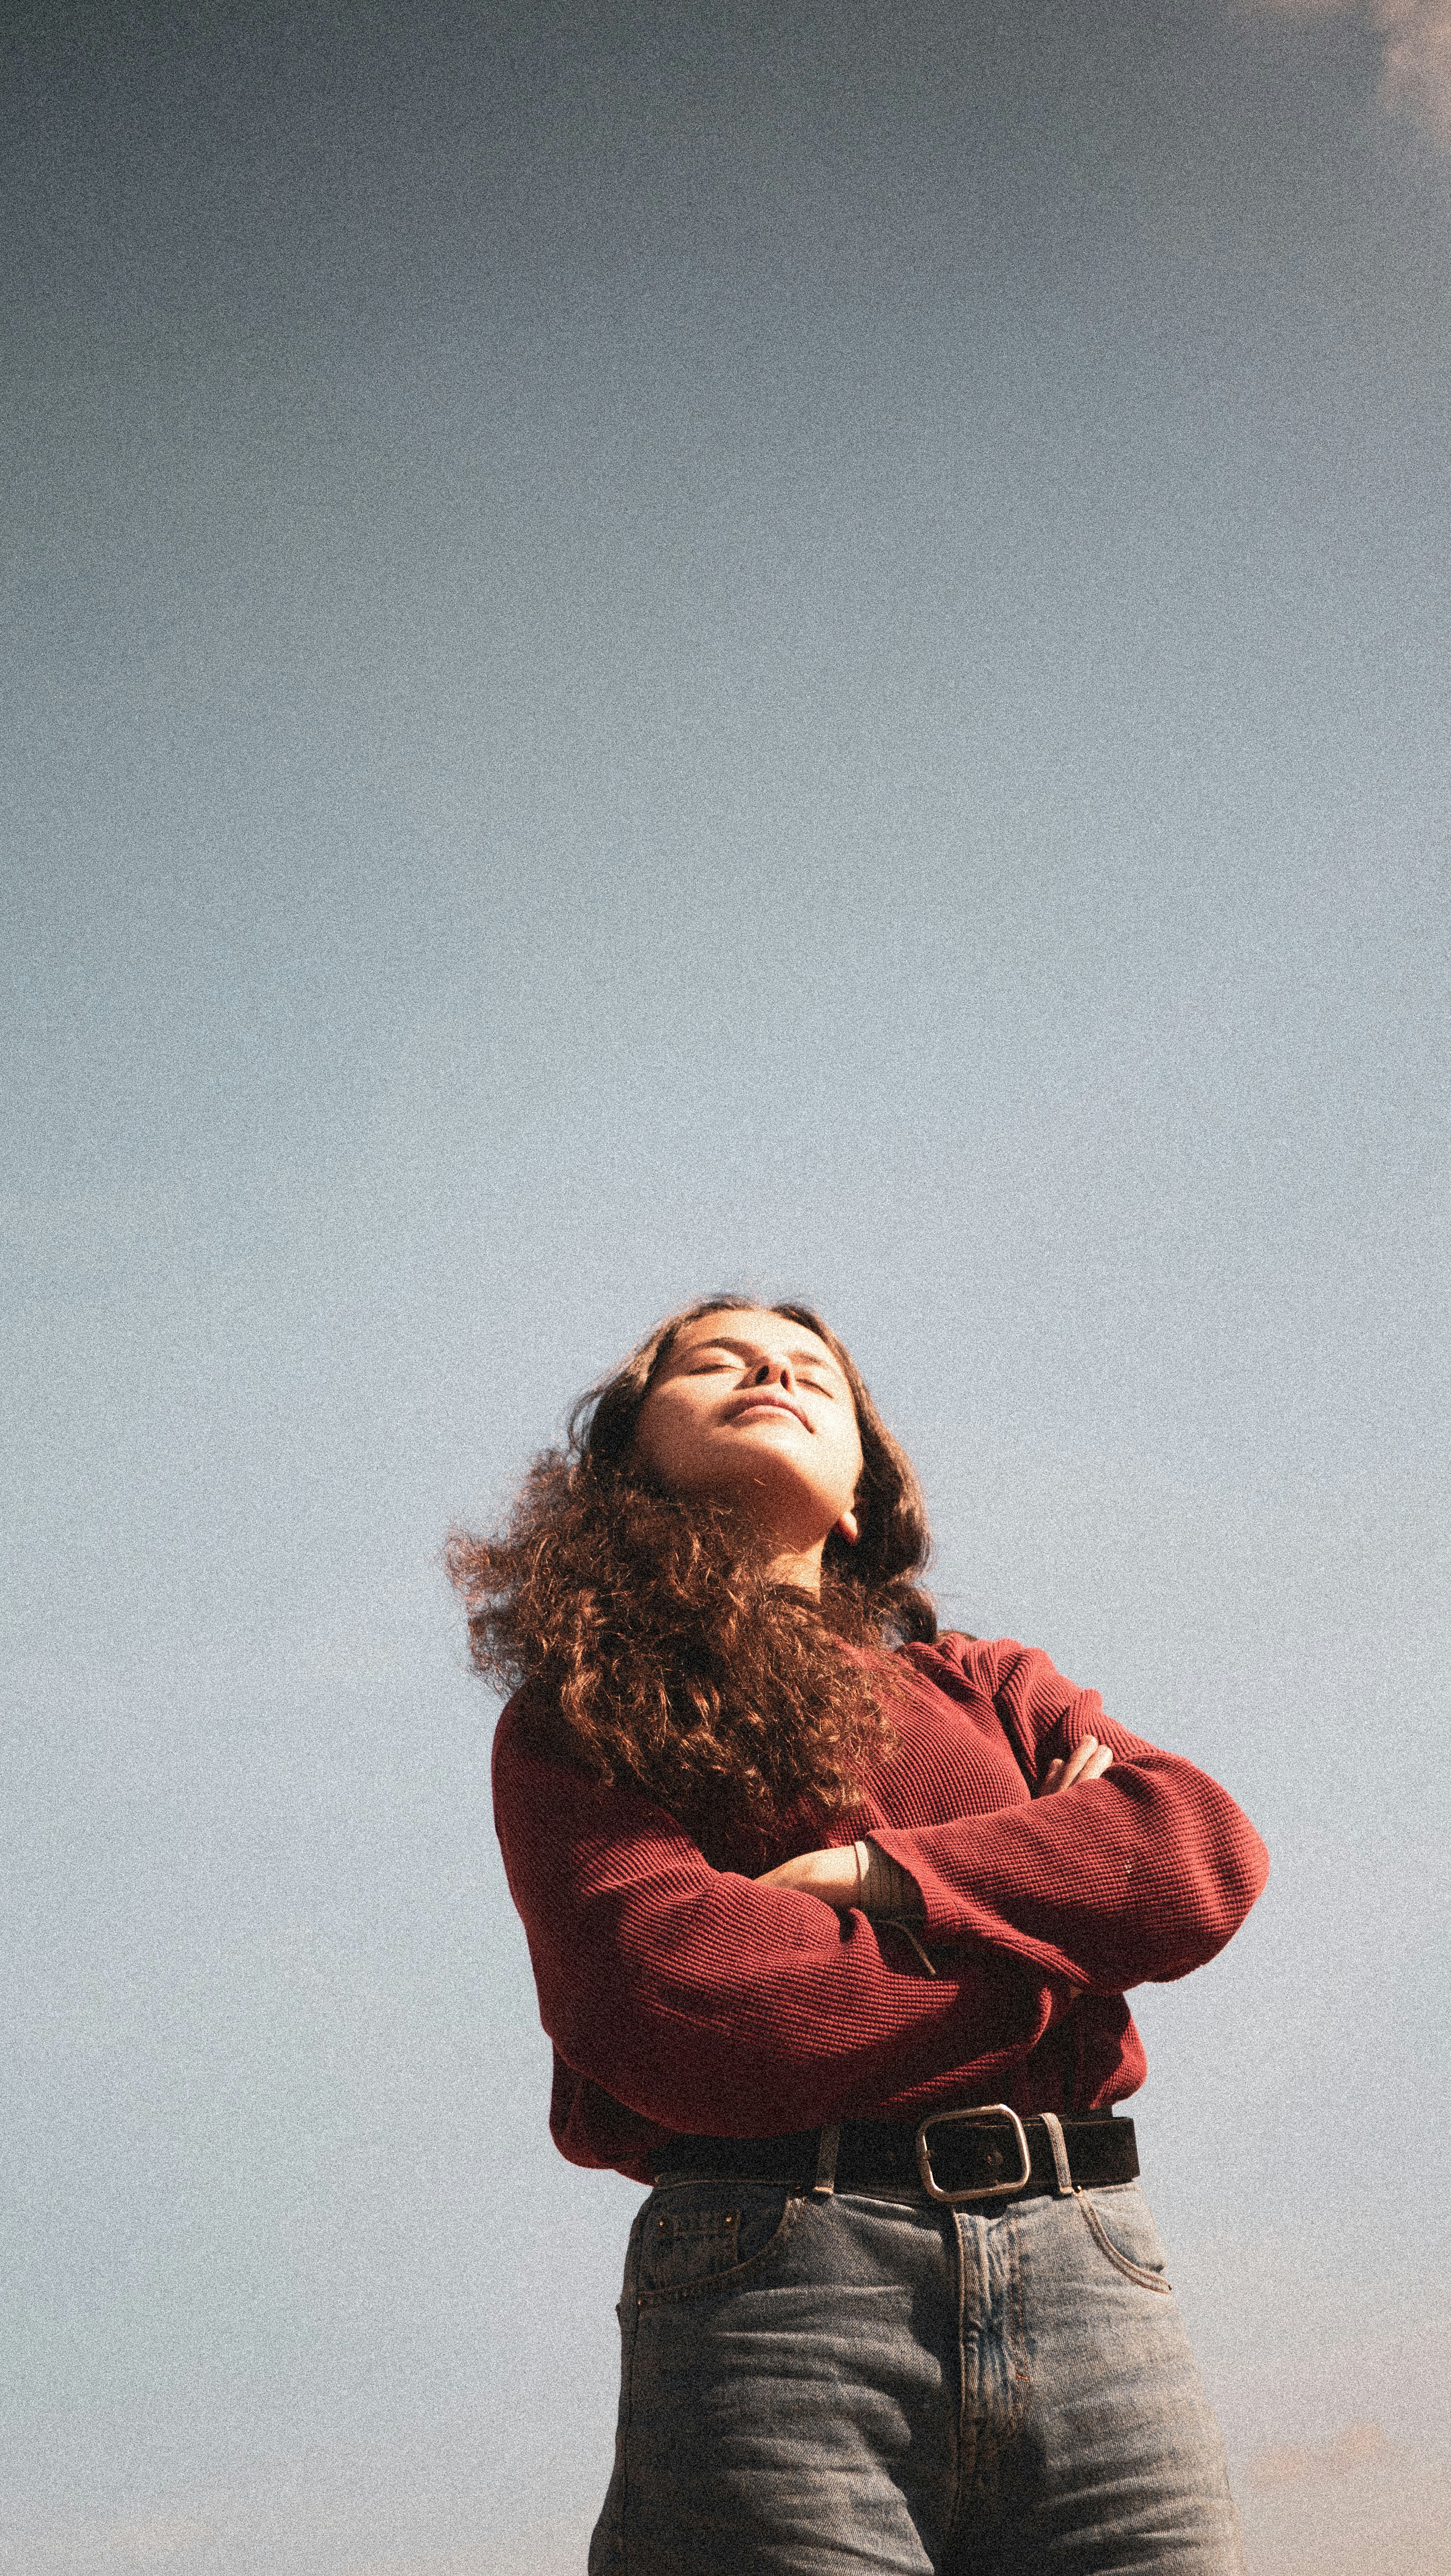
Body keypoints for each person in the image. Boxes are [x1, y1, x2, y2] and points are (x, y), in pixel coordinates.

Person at [450, 1296, 1269, 2576]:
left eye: (811, 1370)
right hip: (776, 2291)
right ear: (629, 1462)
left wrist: (871, 1879)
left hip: (1092, 2275)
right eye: (715, 1358)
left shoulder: (988, 1682)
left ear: (853, 1505)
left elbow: (1192, 1852)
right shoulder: (578, 1715)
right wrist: (1057, 1956)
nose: (771, 1364)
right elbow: (682, 2010)